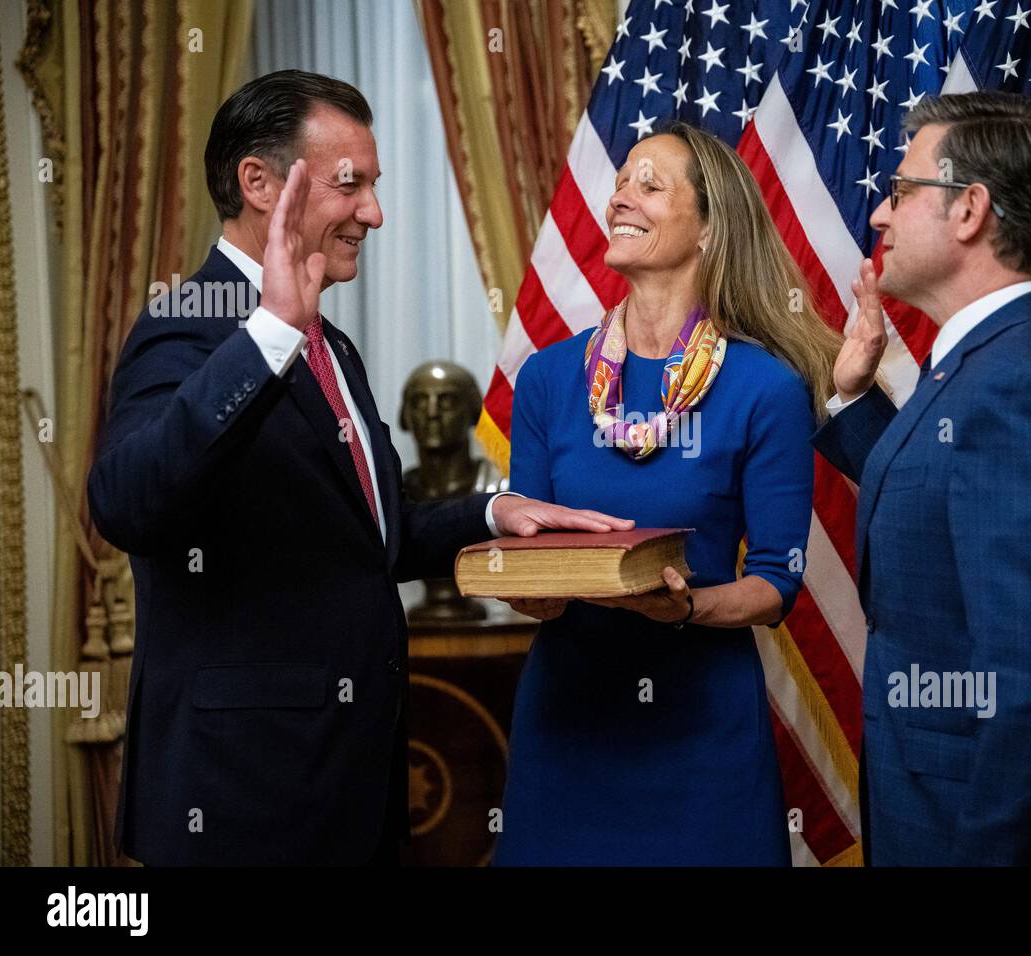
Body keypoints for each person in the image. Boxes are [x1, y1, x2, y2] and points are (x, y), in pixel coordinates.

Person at [87, 70, 630, 866]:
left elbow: (360, 534)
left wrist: (491, 514)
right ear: (260, 183)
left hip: (354, 782)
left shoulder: (328, 343)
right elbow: (127, 501)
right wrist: (269, 332)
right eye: (353, 185)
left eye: (373, 186)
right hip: (244, 797)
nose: (373, 213)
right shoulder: (191, 324)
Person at [815, 92, 1031, 866]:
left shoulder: (1018, 386)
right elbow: (936, 495)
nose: (880, 214)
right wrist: (851, 395)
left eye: (902, 191)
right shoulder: (1000, 366)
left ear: (970, 209)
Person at [492, 122, 841, 865]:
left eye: (650, 184)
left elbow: (776, 585)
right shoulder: (548, 381)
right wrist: (533, 591)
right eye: (621, 180)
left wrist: (685, 607)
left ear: (709, 229)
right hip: (568, 723)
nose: (621, 196)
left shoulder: (766, 388)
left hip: (701, 732)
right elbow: (533, 555)